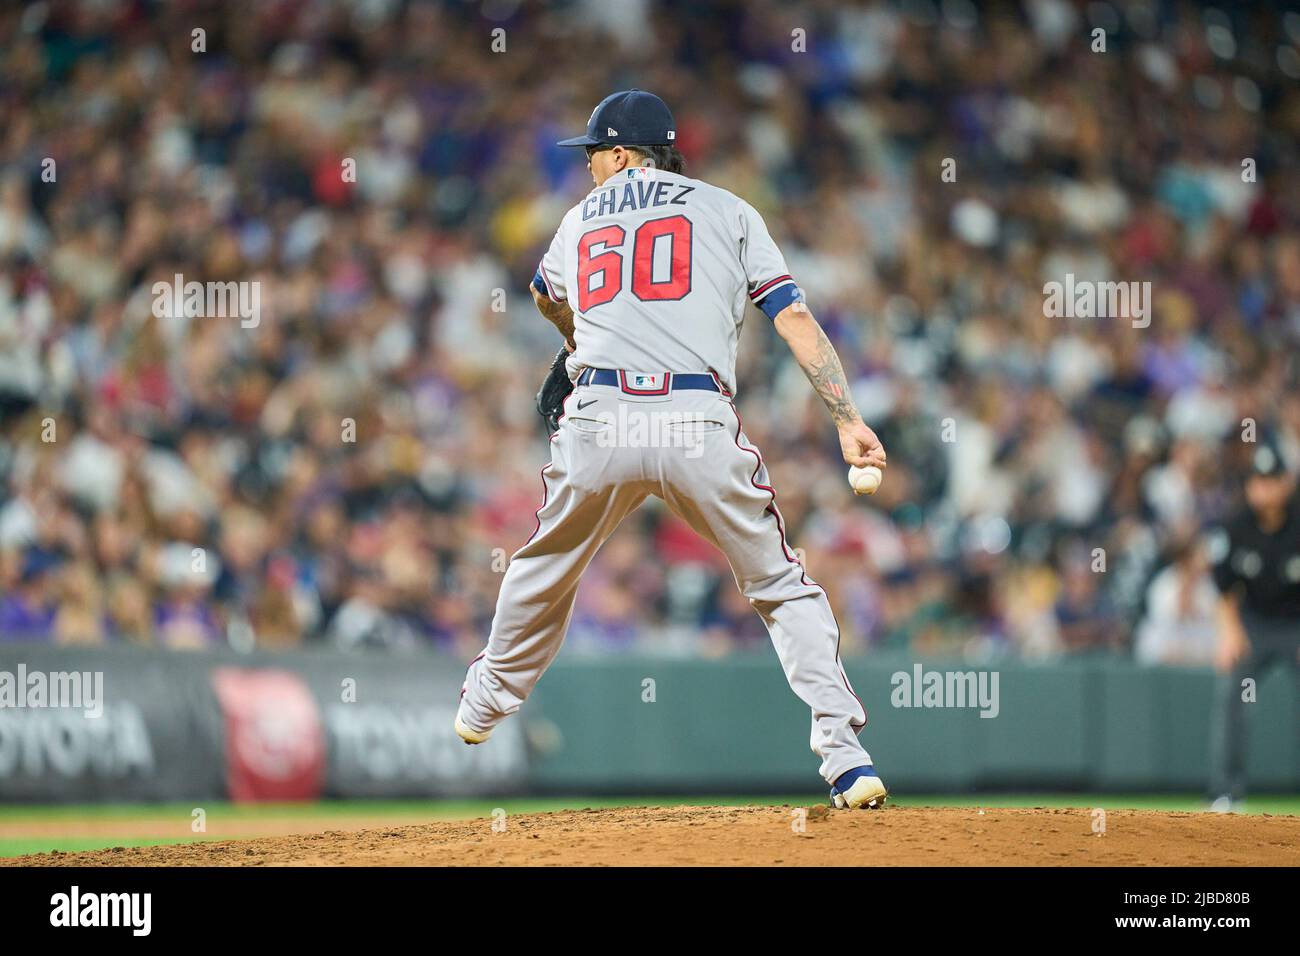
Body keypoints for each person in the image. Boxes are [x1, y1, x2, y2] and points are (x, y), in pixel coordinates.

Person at [453, 90, 889, 809]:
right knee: (780, 586)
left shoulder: (577, 220)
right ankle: (846, 758)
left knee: (545, 563)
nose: (590, 168)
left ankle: (484, 702)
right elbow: (793, 315)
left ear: (623, 154)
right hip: (695, 417)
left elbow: (541, 291)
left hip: (601, 417)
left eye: (594, 154)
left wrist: (574, 347)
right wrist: (846, 418)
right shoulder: (728, 208)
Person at [1208, 442, 1300, 811]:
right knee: (1233, 693)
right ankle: (1226, 794)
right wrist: (1229, 633)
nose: (1263, 488)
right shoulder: (1236, 525)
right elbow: (1224, 587)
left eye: (1271, 480)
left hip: (1296, 625)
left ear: (1286, 483)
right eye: (1257, 480)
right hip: (1254, 624)